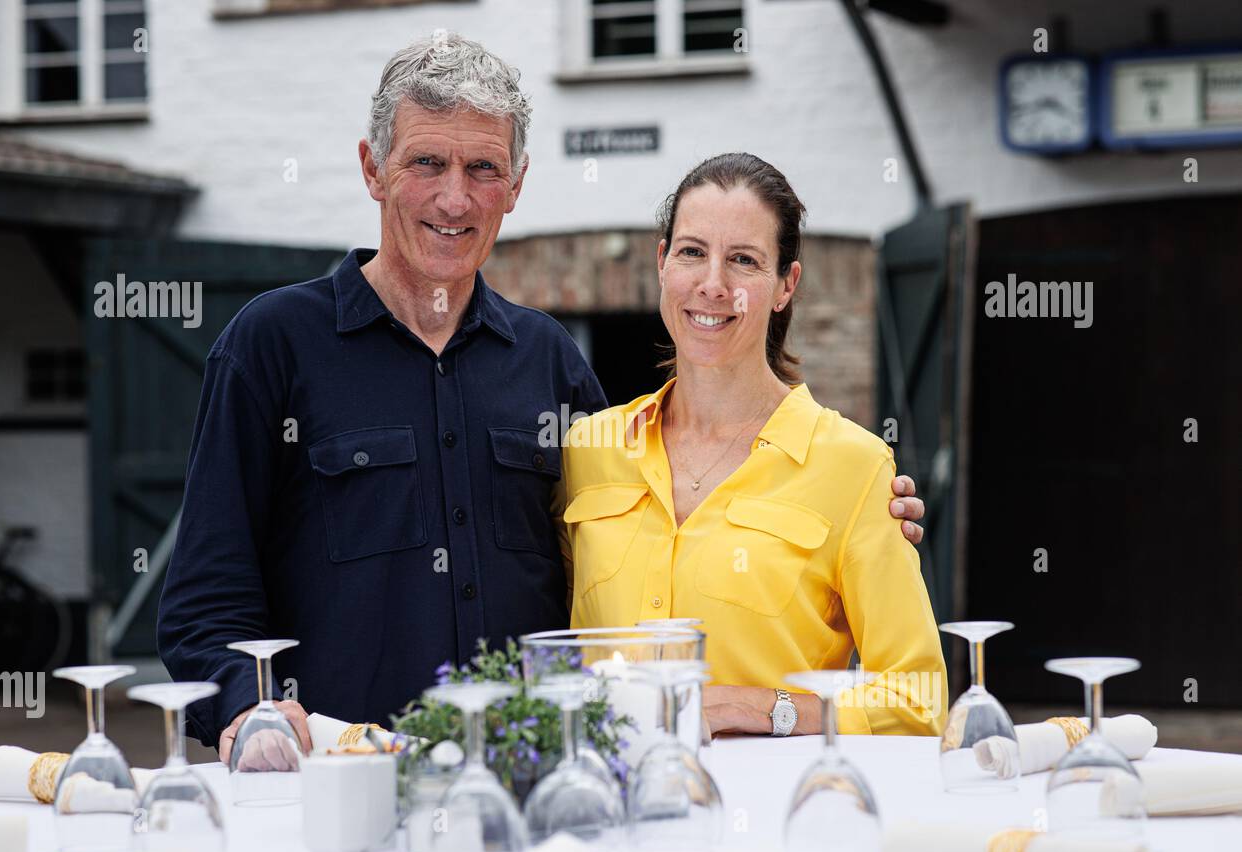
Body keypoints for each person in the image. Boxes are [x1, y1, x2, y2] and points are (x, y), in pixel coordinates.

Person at [157, 34, 929, 767]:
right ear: (372, 168)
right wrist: (242, 709)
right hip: (346, 786)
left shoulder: (551, 366)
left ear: (517, 185)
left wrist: (860, 507)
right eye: (427, 161)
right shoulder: (273, 346)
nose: (456, 198)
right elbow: (202, 605)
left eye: (485, 169)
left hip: (535, 787)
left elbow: (622, 552)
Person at [562, 153, 947, 738]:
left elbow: (919, 699)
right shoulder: (589, 449)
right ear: (662, 264)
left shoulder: (854, 465)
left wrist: (763, 708)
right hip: (611, 810)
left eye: (744, 261)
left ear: (784, 286)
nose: (713, 285)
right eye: (692, 252)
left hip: (769, 815)